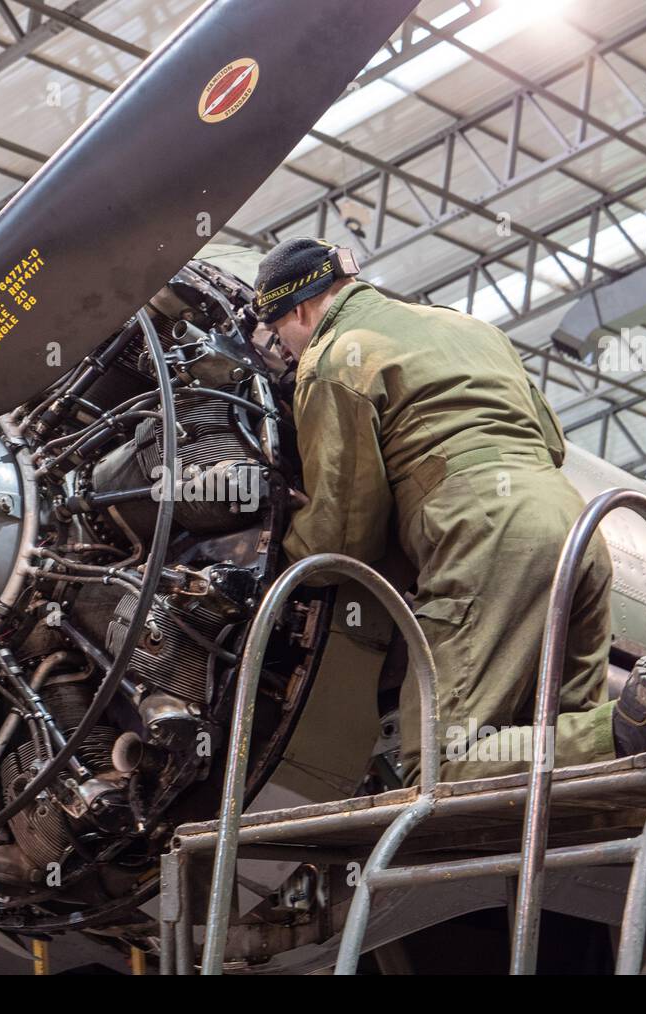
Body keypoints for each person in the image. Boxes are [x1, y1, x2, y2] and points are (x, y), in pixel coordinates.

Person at [253, 237, 621, 783]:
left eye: (279, 332)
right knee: (576, 755)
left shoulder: (333, 362)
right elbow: (553, 443)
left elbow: (345, 535)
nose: (284, 350)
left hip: (486, 534)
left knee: (443, 761)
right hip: (575, 526)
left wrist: (277, 560)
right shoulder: (470, 328)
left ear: (301, 309)